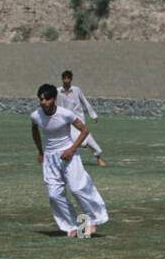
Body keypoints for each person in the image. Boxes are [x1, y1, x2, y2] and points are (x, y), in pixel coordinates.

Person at [30, 83, 108, 237]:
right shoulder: (35, 115)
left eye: (46, 99)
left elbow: (84, 131)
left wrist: (72, 149)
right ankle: (72, 226)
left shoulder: (65, 114)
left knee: (78, 188)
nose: (43, 103)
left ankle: (91, 221)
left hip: (69, 155)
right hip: (50, 158)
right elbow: (35, 130)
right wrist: (40, 152)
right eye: (41, 100)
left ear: (54, 99)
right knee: (54, 195)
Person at [57, 70, 106, 167]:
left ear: (71, 79)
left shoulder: (76, 90)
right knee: (65, 140)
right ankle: (63, 159)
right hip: (65, 121)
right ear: (62, 79)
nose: (66, 80)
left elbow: (85, 101)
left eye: (68, 78)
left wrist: (93, 115)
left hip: (78, 119)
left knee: (87, 137)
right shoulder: (58, 91)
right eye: (64, 78)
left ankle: (98, 158)